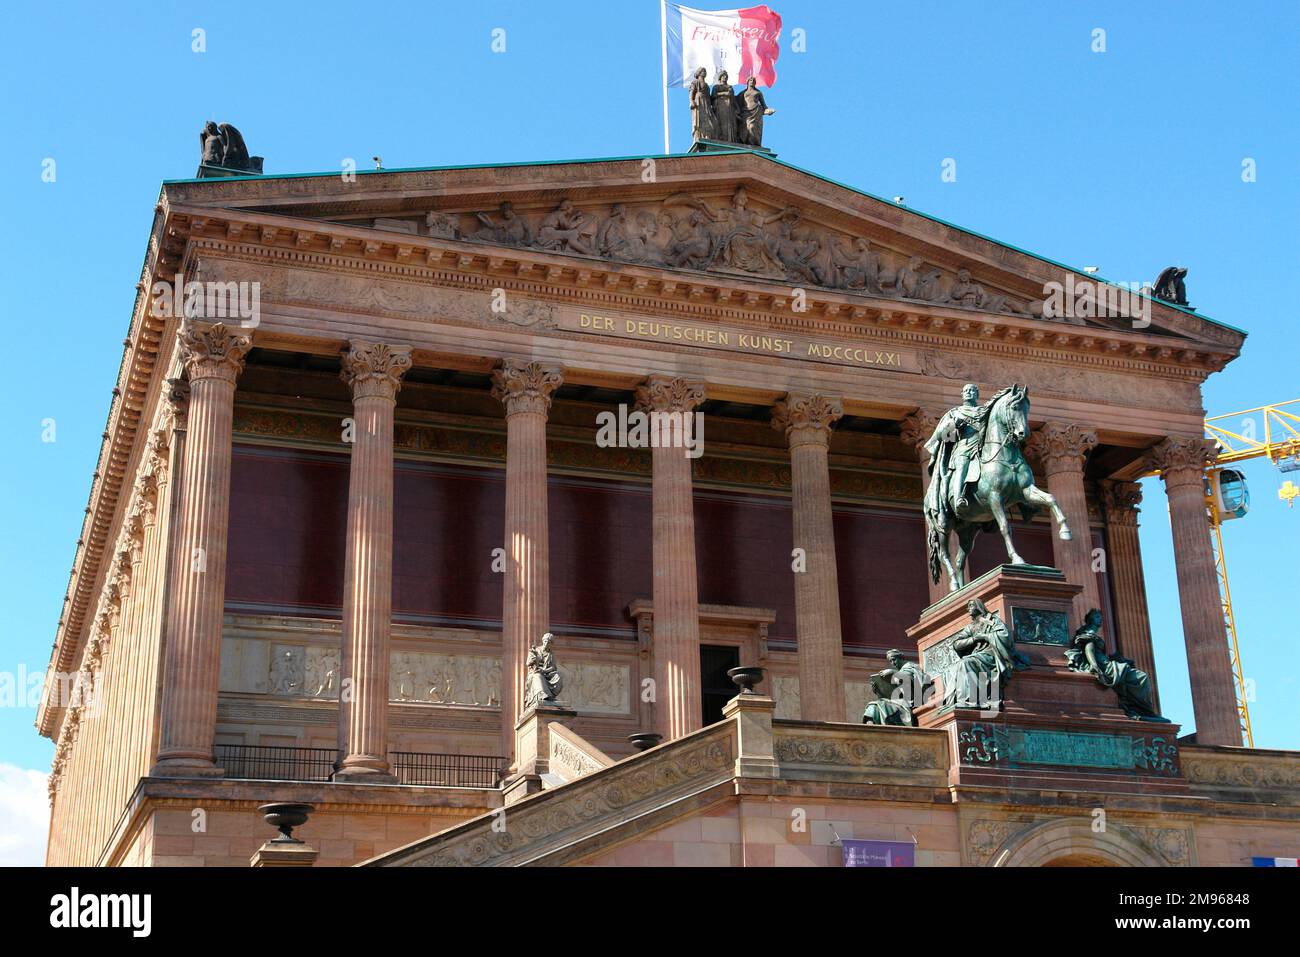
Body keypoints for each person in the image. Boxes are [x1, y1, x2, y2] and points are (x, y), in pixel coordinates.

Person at [1066, 609, 1168, 721]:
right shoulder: (1088, 633)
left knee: (1139, 677)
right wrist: (1094, 666)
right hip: (1104, 666)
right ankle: (1144, 711)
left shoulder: (1092, 633)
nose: (1100, 619)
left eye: (1100, 617)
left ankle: (1142, 710)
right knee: (1141, 677)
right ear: (1090, 619)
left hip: (1106, 663)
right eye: (1096, 617)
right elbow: (1089, 649)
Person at [941, 599, 1028, 709]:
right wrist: (974, 639)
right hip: (978, 656)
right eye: (968, 606)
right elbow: (956, 644)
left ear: (979, 606)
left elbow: (1004, 636)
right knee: (950, 670)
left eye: (971, 605)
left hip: (990, 655)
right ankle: (953, 702)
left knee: (966, 663)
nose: (969, 609)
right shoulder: (971, 627)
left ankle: (970, 700)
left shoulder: (992, 620)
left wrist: (987, 636)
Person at [862, 649, 930, 726]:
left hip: (910, 702)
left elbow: (910, 680)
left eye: (894, 659)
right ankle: (871, 726)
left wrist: (893, 672)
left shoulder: (911, 666)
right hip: (899, 701)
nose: (893, 663)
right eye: (890, 661)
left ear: (901, 658)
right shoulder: (899, 672)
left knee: (878, 706)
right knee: (874, 705)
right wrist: (878, 690)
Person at [524, 633, 563, 708]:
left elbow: (553, 667)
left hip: (547, 673)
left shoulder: (551, 654)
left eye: (549, 642)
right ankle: (542, 694)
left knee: (558, 676)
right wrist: (534, 657)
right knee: (538, 676)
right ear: (543, 641)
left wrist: (544, 671)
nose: (546, 643)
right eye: (545, 641)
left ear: (551, 644)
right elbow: (528, 663)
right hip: (535, 672)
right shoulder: (535, 650)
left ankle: (551, 696)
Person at [737, 76, 775, 146]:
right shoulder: (743, 93)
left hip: (756, 112)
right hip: (746, 113)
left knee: (752, 127)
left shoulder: (758, 92)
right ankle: (744, 143)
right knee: (744, 129)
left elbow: (764, 105)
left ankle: (754, 144)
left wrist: (769, 111)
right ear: (747, 82)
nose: (752, 81)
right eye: (750, 80)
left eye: (754, 80)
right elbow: (737, 102)